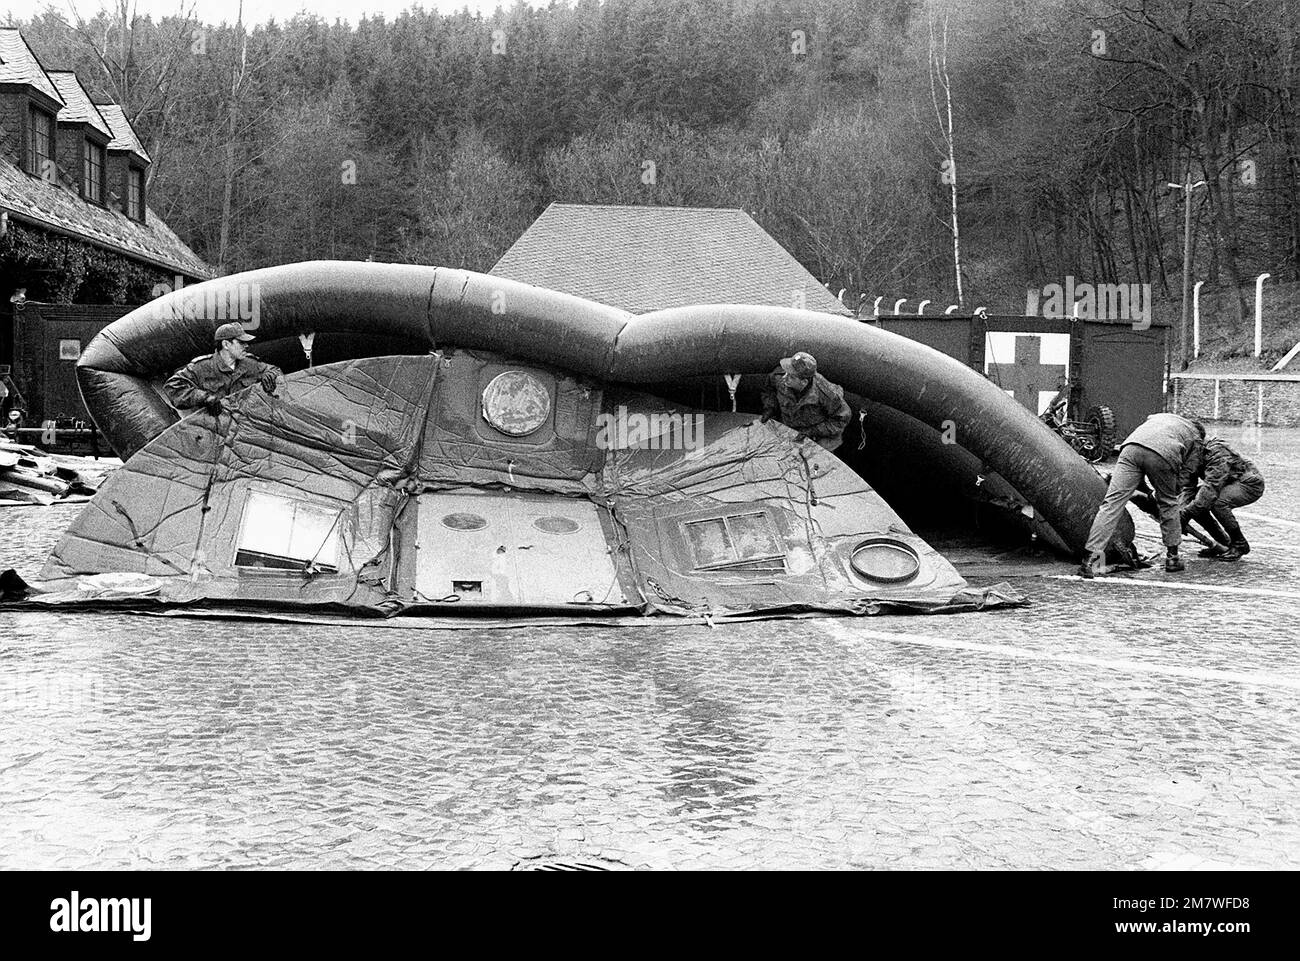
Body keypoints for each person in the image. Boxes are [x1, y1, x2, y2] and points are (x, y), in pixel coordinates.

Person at [1079, 412, 1205, 577]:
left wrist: (1146, 490)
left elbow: (1144, 447)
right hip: (1164, 453)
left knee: (1111, 504)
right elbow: (1188, 471)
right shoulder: (1196, 437)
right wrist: (1172, 489)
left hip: (1131, 447)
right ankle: (1173, 558)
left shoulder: (1160, 416)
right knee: (1168, 504)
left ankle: (1091, 561)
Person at [165, 322, 282, 415]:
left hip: (246, 430)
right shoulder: (201, 367)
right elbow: (172, 388)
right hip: (216, 432)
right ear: (226, 344)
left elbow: (275, 370)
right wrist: (204, 398)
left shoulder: (250, 363)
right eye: (241, 342)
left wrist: (270, 375)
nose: (246, 346)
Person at [1179, 436, 1265, 562]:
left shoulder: (1217, 451)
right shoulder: (1189, 452)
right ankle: (1224, 544)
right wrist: (1180, 513)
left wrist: (1185, 516)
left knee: (1217, 503)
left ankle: (1240, 544)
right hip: (1225, 483)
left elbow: (1212, 487)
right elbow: (1188, 488)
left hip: (1249, 484)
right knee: (1196, 502)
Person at [759, 351, 853, 452]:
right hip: (789, 428)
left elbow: (841, 420)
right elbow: (768, 390)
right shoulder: (779, 377)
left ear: (803, 382)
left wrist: (812, 431)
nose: (784, 377)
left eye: (791, 376)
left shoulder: (827, 394)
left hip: (819, 437)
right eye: (787, 372)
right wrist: (770, 408)